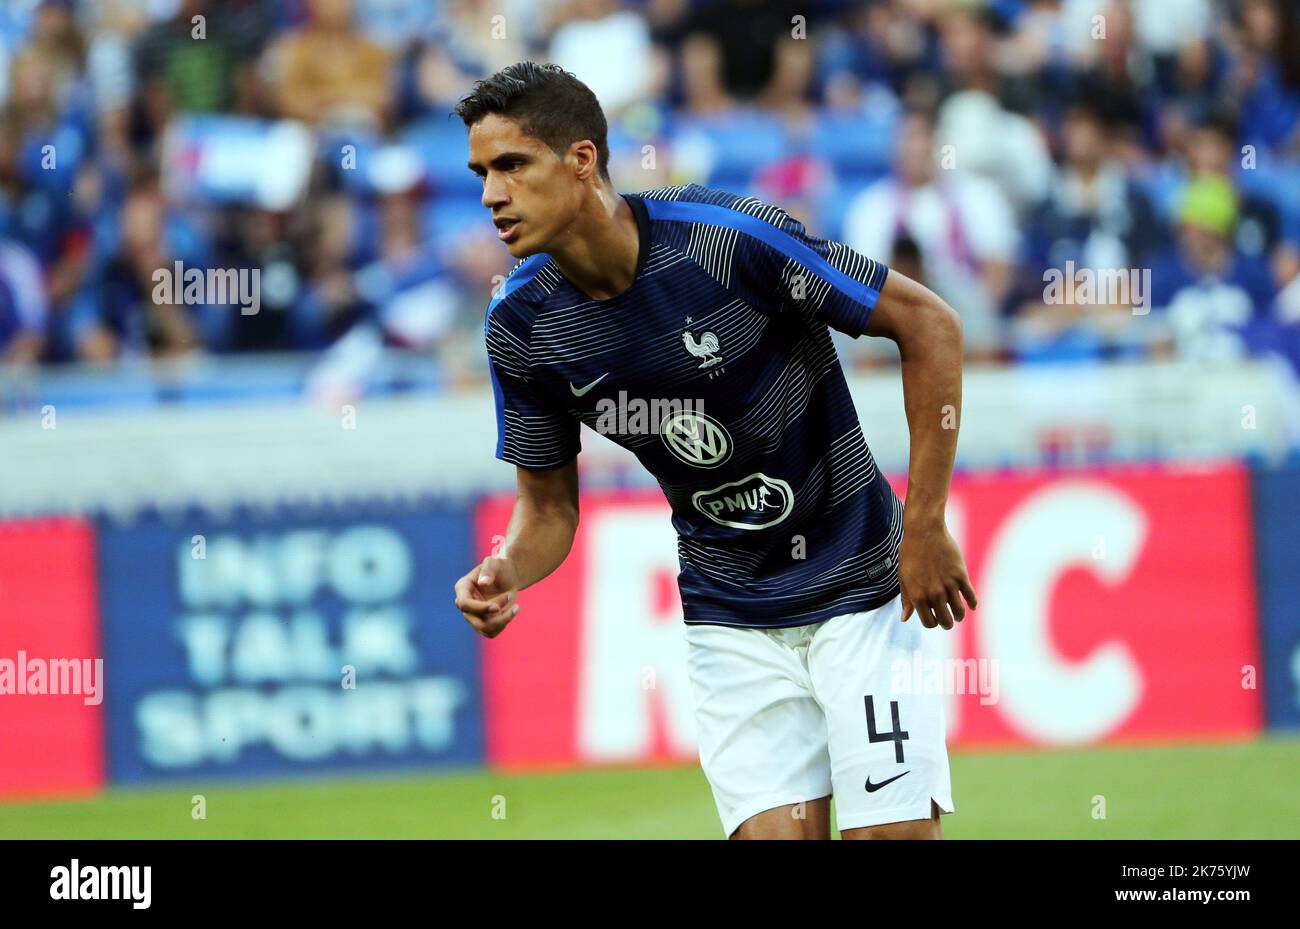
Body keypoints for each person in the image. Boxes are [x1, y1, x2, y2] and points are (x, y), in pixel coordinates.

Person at [451, 62, 977, 840]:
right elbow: (549, 508)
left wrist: (925, 522)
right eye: (480, 172)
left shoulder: (728, 241)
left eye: (512, 165)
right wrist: (508, 565)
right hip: (729, 615)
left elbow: (930, 325)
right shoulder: (522, 326)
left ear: (582, 161)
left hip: (860, 583)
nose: (492, 193)